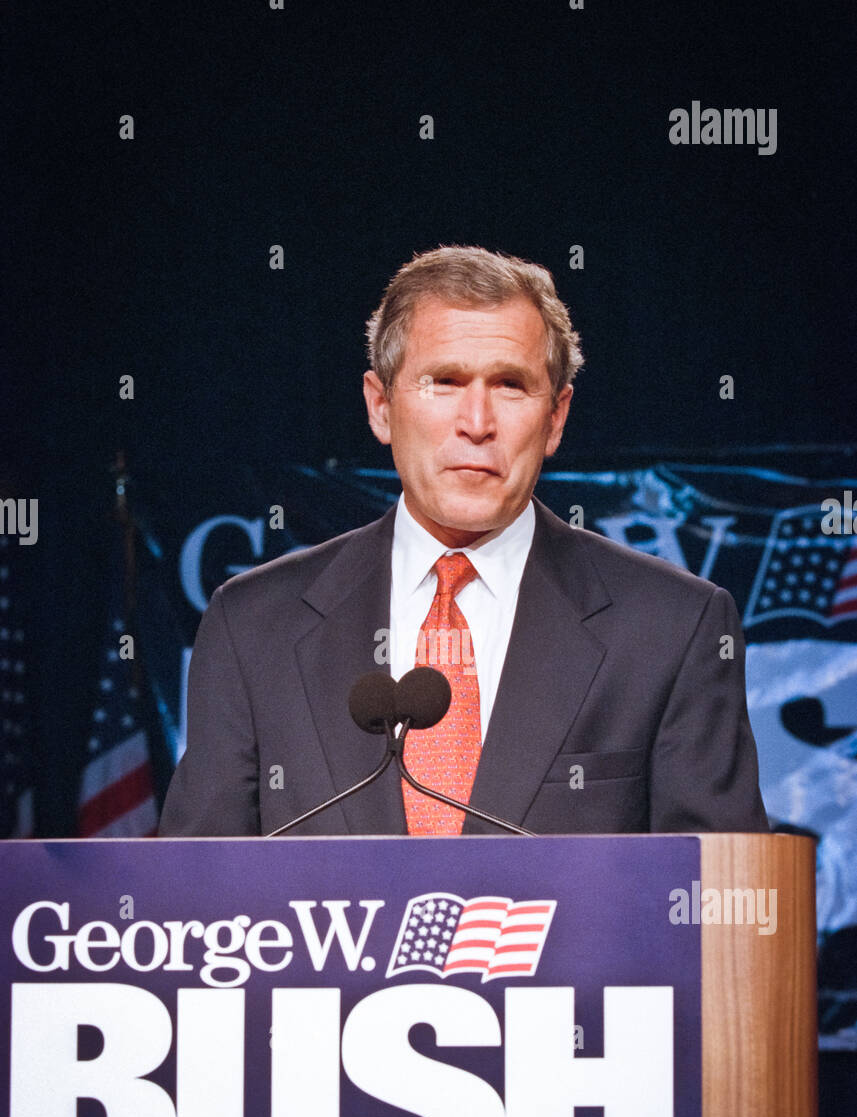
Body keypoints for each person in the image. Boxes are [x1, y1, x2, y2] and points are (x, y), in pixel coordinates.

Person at [159, 246, 768, 837]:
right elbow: (193, 903)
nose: (476, 423)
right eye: (443, 382)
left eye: (509, 385)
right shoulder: (252, 626)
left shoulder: (673, 627)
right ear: (381, 407)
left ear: (554, 418)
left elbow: (722, 903)